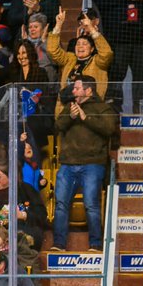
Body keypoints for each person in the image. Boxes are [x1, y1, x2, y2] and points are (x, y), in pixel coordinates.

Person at [52, 75, 116, 253]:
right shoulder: (70, 107)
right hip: (68, 163)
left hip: (92, 163)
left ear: (88, 90)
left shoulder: (103, 108)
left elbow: (109, 129)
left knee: (91, 205)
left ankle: (95, 244)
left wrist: (85, 117)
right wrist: (70, 117)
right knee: (61, 204)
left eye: (77, 88)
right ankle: (59, 244)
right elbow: (57, 127)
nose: (73, 91)